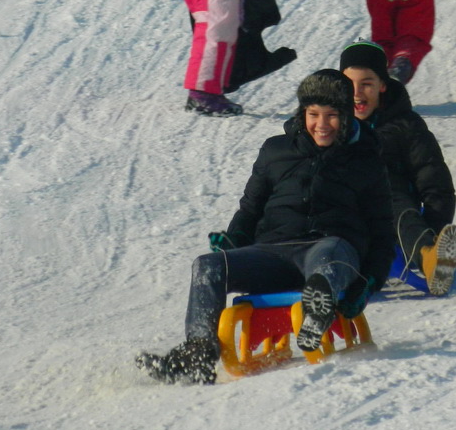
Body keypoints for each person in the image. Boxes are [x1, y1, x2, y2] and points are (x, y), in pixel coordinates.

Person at [137, 69, 394, 384]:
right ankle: (199, 351)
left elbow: (382, 230)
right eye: (314, 114)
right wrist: (232, 241)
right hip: (272, 252)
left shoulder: (366, 160)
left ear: (345, 115)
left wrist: (368, 284)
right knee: (208, 266)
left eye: (332, 116)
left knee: (328, 258)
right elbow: (250, 209)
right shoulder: (276, 151)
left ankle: (317, 312)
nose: (322, 125)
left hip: (331, 246)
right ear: (303, 114)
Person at [339, 40, 456, 295]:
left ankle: (430, 259)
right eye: (349, 84)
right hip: (336, 213)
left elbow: (434, 181)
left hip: (389, 212)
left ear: (382, 85)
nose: (357, 94)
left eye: (366, 84)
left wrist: (432, 231)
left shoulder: (406, 126)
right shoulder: (326, 122)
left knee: (389, 197)